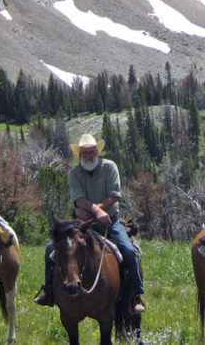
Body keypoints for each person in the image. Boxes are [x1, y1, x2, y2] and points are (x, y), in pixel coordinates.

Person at [34, 134, 146, 314]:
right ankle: (49, 292)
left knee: (129, 250)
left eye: (91, 151)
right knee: (50, 250)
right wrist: (97, 211)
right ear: (80, 154)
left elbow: (114, 195)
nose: (88, 155)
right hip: (81, 223)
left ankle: (135, 295)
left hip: (109, 221)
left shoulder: (110, 167)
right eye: (84, 152)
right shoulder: (75, 173)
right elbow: (79, 200)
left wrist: (98, 211)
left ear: (97, 152)